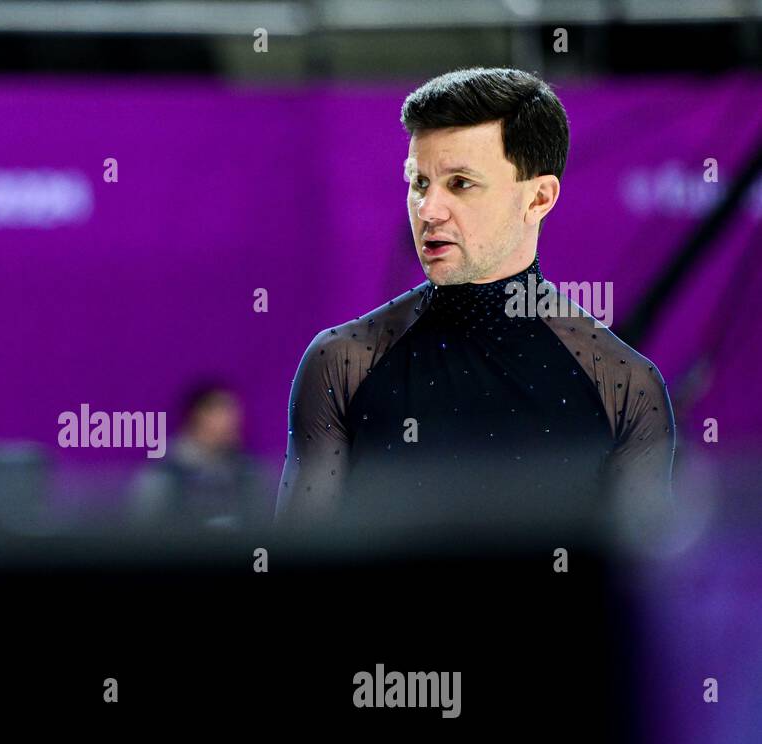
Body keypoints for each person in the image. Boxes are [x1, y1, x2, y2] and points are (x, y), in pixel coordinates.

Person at [275, 67, 675, 530]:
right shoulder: (342, 362)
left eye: (460, 183)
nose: (428, 210)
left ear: (539, 198)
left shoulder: (625, 387)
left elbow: (631, 590)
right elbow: (297, 575)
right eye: (419, 182)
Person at [128, 383, 268, 530]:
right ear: (196, 416)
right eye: (222, 411)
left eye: (234, 412)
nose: (233, 421)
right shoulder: (162, 476)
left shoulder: (248, 473)